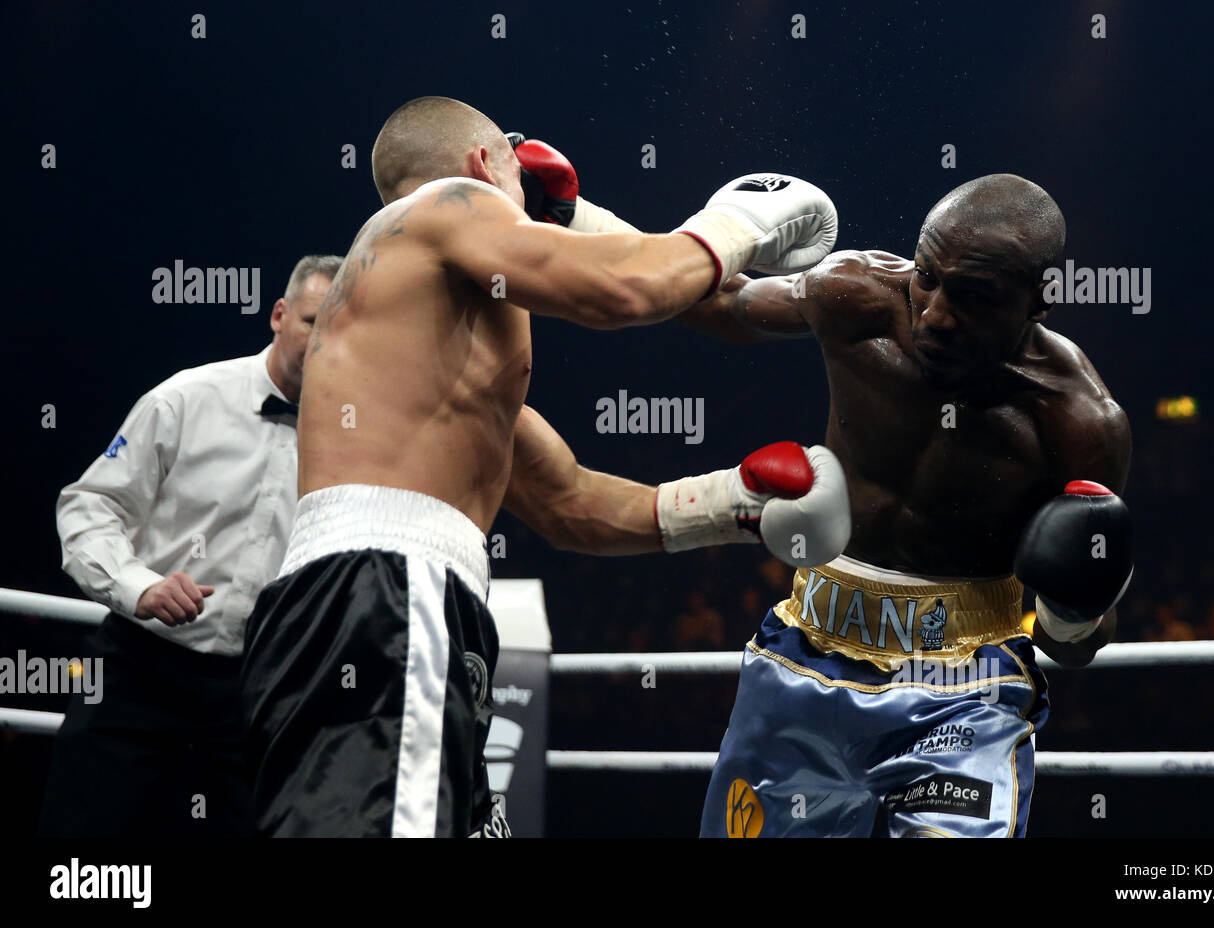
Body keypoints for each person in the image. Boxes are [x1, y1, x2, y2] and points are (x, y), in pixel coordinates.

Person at [238, 96, 849, 838]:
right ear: (483, 162)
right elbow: (624, 288)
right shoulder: (449, 202)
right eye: (514, 166)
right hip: (390, 593)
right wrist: (737, 223)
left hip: (387, 596)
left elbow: (570, 504)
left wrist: (734, 503)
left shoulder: (427, 361)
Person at [679, 174, 1134, 837]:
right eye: (927, 277)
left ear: (1041, 299)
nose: (936, 314)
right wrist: (581, 224)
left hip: (967, 696)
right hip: (805, 657)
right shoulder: (854, 294)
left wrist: (1072, 612)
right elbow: (723, 306)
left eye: (974, 297)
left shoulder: (1077, 423)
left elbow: (1079, 644)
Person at [41, 255, 343, 836]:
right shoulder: (187, 398)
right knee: (80, 850)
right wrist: (140, 584)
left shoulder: (358, 434)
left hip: (259, 693)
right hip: (140, 670)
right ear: (279, 315)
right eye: (312, 321)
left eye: (341, 327)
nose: (326, 341)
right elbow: (89, 506)